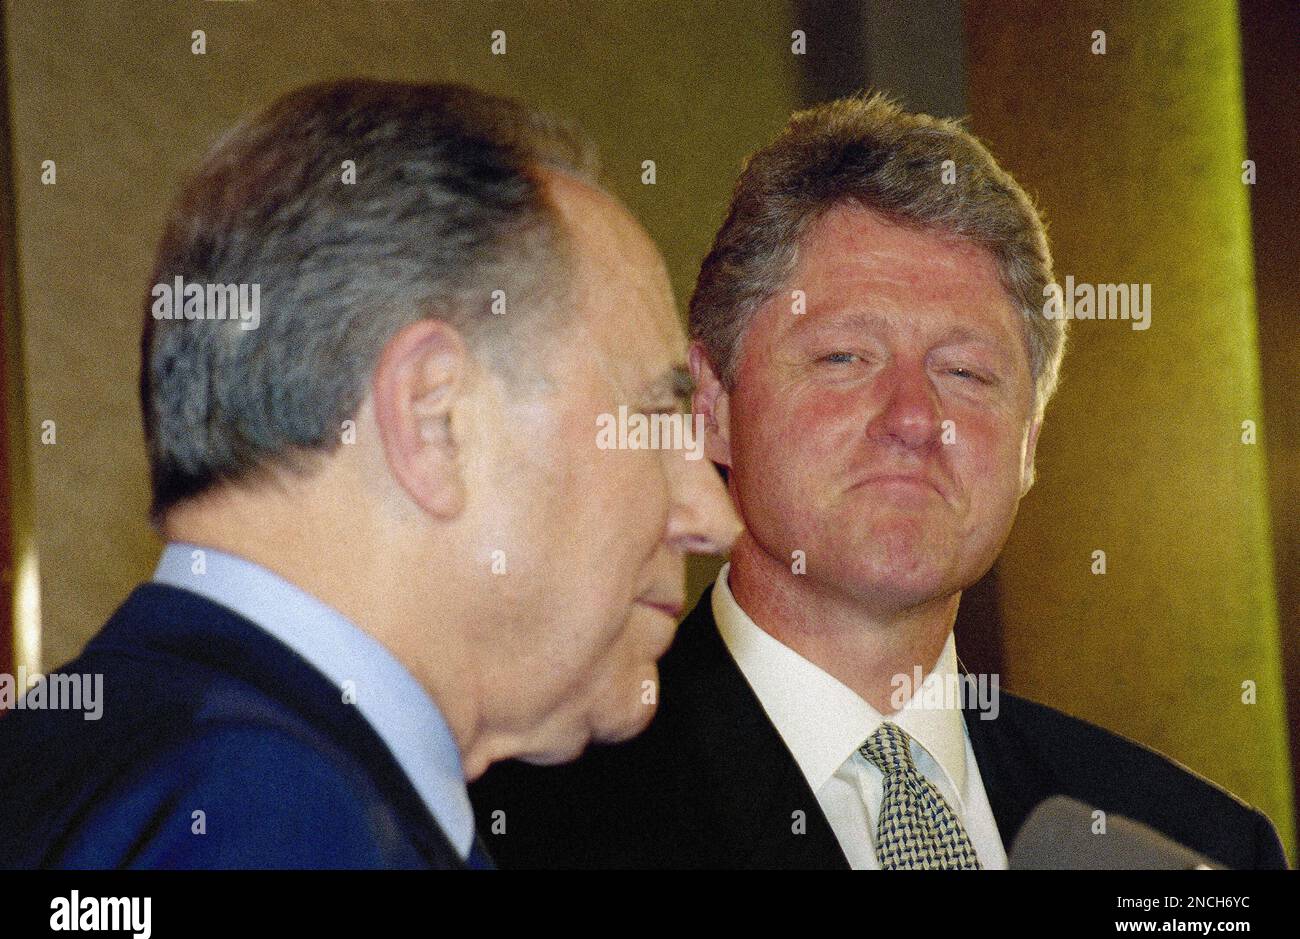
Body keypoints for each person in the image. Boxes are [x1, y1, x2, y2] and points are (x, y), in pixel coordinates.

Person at [469, 93, 1289, 869]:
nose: (912, 417)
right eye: (843, 358)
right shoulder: (525, 821)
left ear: (1030, 446)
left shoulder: (1189, 849)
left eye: (965, 373)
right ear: (714, 407)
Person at [0, 79, 737, 868]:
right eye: (655, 418)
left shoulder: (90, 757)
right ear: (434, 419)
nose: (713, 519)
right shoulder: (277, 816)